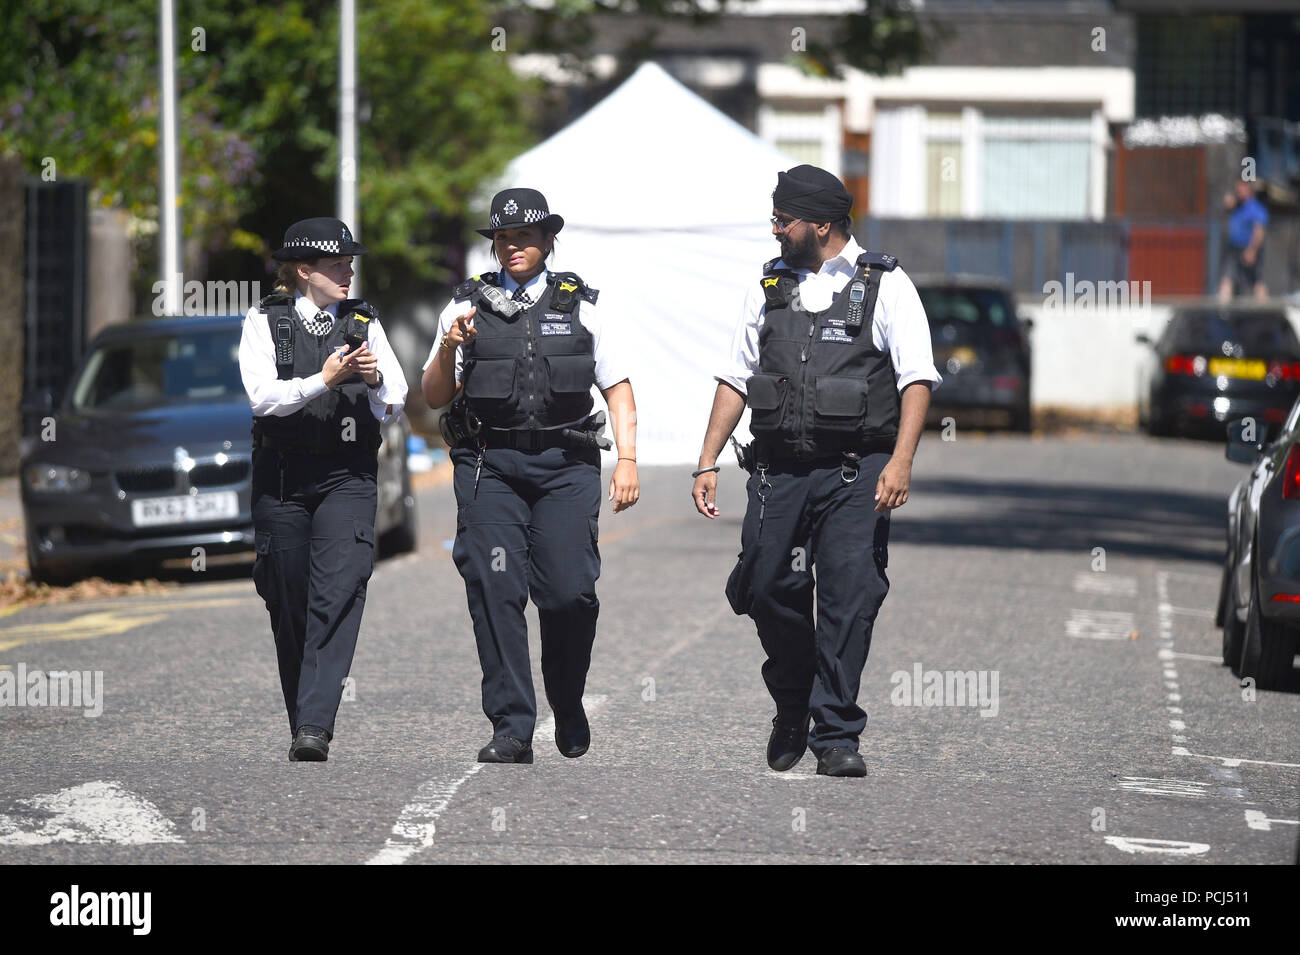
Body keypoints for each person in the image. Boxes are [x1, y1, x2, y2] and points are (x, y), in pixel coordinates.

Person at [691, 165, 940, 777]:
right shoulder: (768, 286)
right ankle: (793, 699)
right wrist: (707, 460)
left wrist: (903, 460)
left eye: (784, 221)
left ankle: (836, 736)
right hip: (779, 469)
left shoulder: (886, 285)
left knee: (849, 596)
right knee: (765, 585)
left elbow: (916, 378)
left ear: (820, 225)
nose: (775, 230)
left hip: (857, 471)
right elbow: (735, 378)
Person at [422, 188, 639, 764]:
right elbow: (433, 394)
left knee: (569, 594)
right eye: (503, 238)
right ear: (493, 245)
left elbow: (617, 388)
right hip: (489, 465)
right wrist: (450, 348)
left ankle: (566, 701)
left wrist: (628, 461)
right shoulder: (464, 309)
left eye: (525, 237)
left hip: (565, 465)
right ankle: (512, 726)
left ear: (547, 241)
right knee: (495, 588)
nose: (513, 246)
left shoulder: (582, 305)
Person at [240, 216, 407, 761]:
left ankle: (315, 726)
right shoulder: (265, 321)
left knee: (340, 588)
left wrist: (375, 379)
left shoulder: (364, 322)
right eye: (337, 264)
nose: (348, 271)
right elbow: (263, 398)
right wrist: (325, 379)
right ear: (304, 270)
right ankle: (303, 717)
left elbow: (398, 398)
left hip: (347, 476)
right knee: (289, 598)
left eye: (350, 262)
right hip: (282, 477)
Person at [1218, 179, 1269, 302]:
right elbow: (1226, 207)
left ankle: (1265, 311)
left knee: (1258, 281)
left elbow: (1259, 232)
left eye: (1242, 189)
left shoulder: (1256, 208)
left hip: (1250, 248)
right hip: (1234, 248)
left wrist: (1252, 250)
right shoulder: (1237, 206)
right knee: (1227, 278)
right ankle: (1221, 311)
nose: (1238, 192)